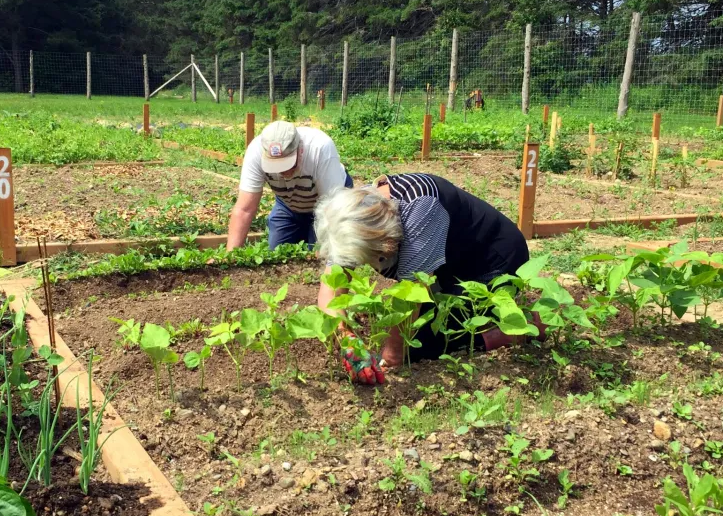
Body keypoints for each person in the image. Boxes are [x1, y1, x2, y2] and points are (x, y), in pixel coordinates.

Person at [314, 173, 535, 371]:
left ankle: (517, 329)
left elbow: (411, 297)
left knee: (427, 343)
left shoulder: (421, 208)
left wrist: (389, 361)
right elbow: (331, 292)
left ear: (385, 236)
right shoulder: (349, 216)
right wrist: (346, 340)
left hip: (492, 262)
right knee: (425, 328)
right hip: (446, 271)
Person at [225, 121, 353, 250]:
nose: (283, 172)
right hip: (288, 204)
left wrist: (326, 254)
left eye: (287, 164)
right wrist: (230, 258)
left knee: (321, 255)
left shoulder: (320, 148)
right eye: (275, 165)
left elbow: (332, 212)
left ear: (300, 150)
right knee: (276, 255)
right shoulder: (255, 152)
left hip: (329, 204)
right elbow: (245, 209)